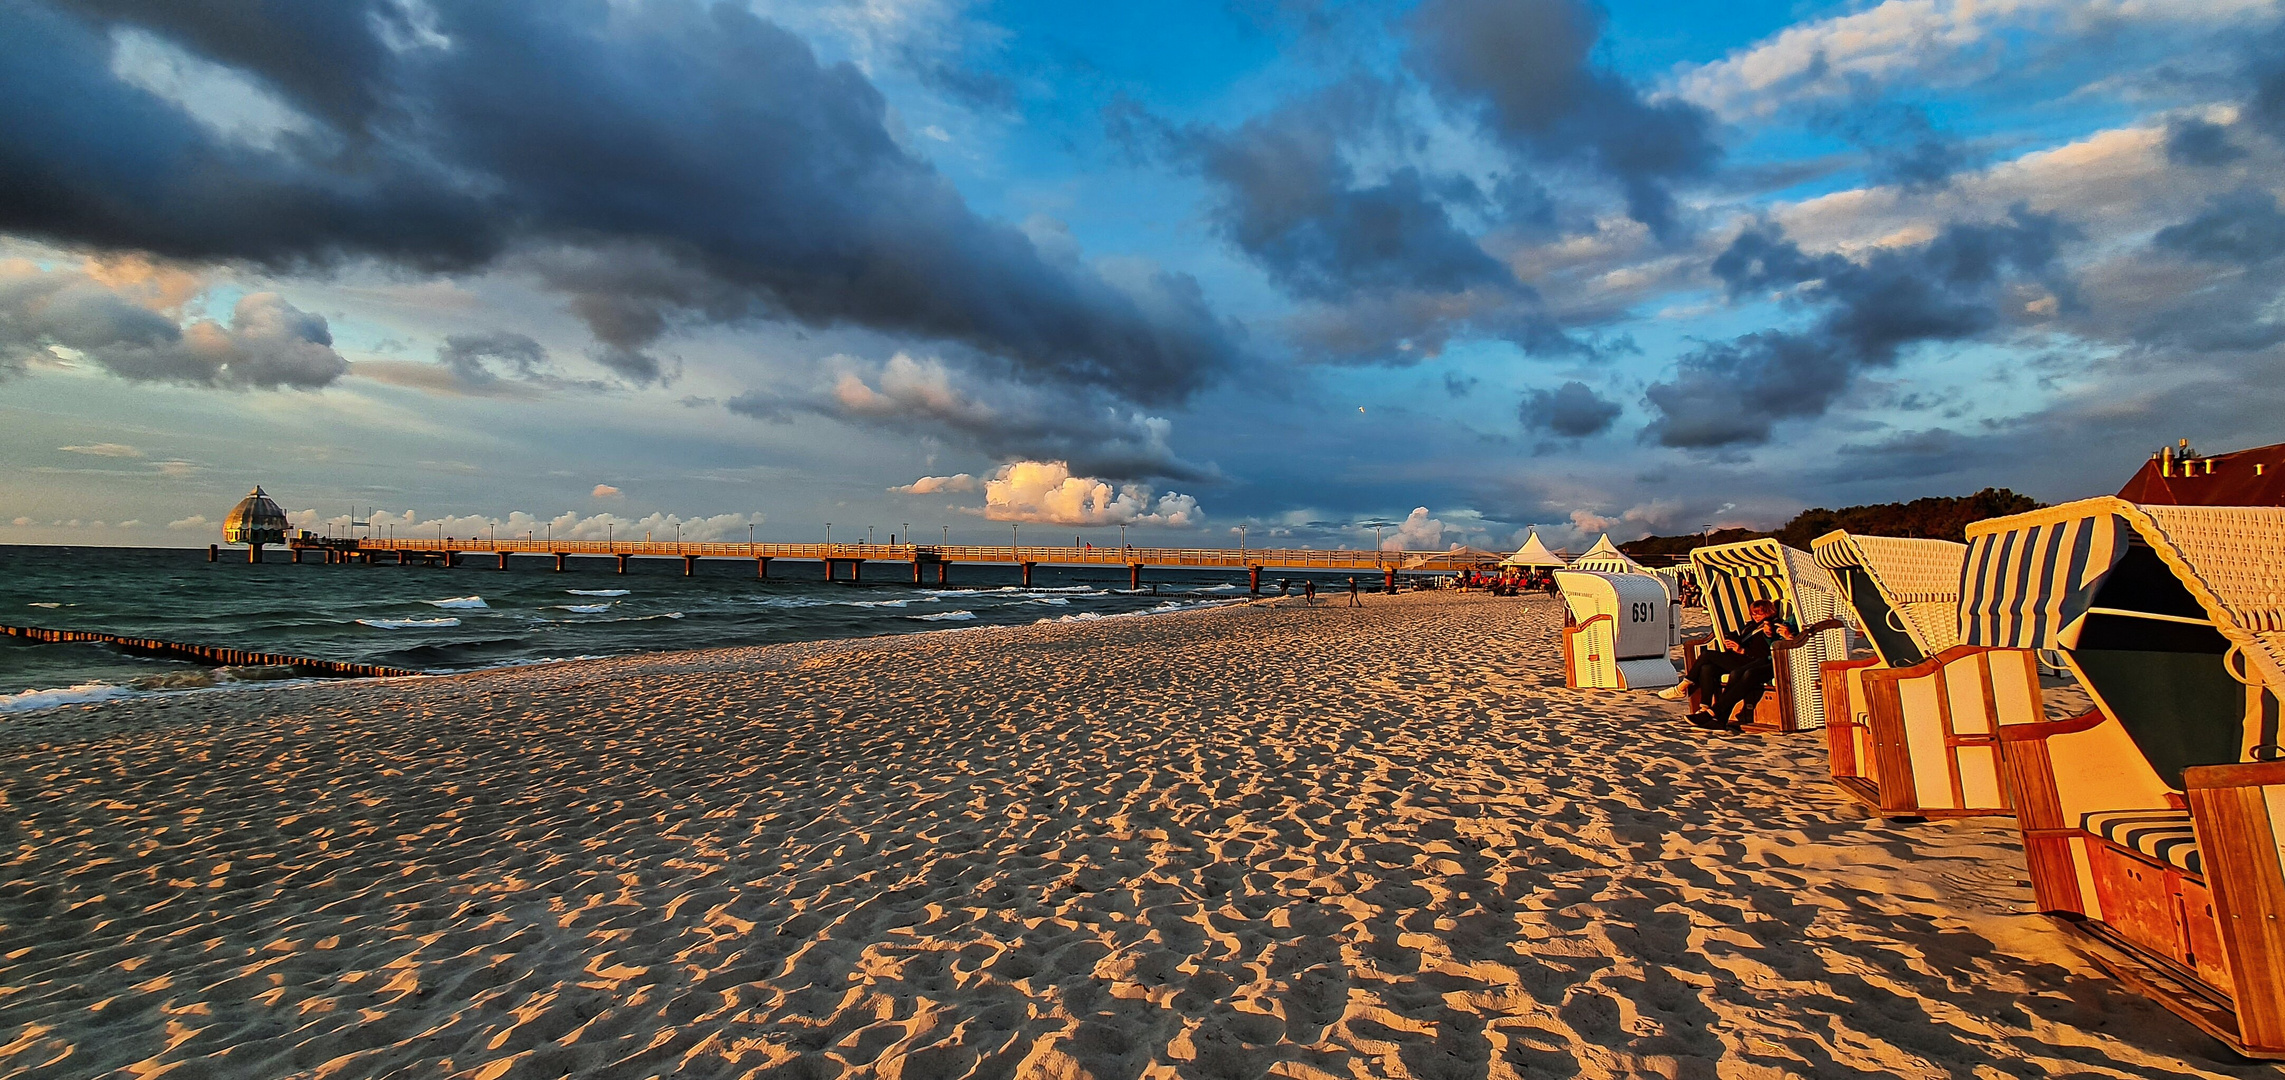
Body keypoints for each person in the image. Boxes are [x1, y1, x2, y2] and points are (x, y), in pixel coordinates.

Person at [1684, 598, 1797, 732]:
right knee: (1708, 667)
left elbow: (1765, 649)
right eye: (1753, 614)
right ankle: (1708, 711)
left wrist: (1784, 636)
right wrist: (1734, 642)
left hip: (1761, 661)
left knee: (1712, 658)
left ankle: (1708, 708)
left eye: (1758, 613)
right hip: (1750, 658)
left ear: (1768, 612)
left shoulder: (1774, 625)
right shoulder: (1752, 626)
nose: (1755, 616)